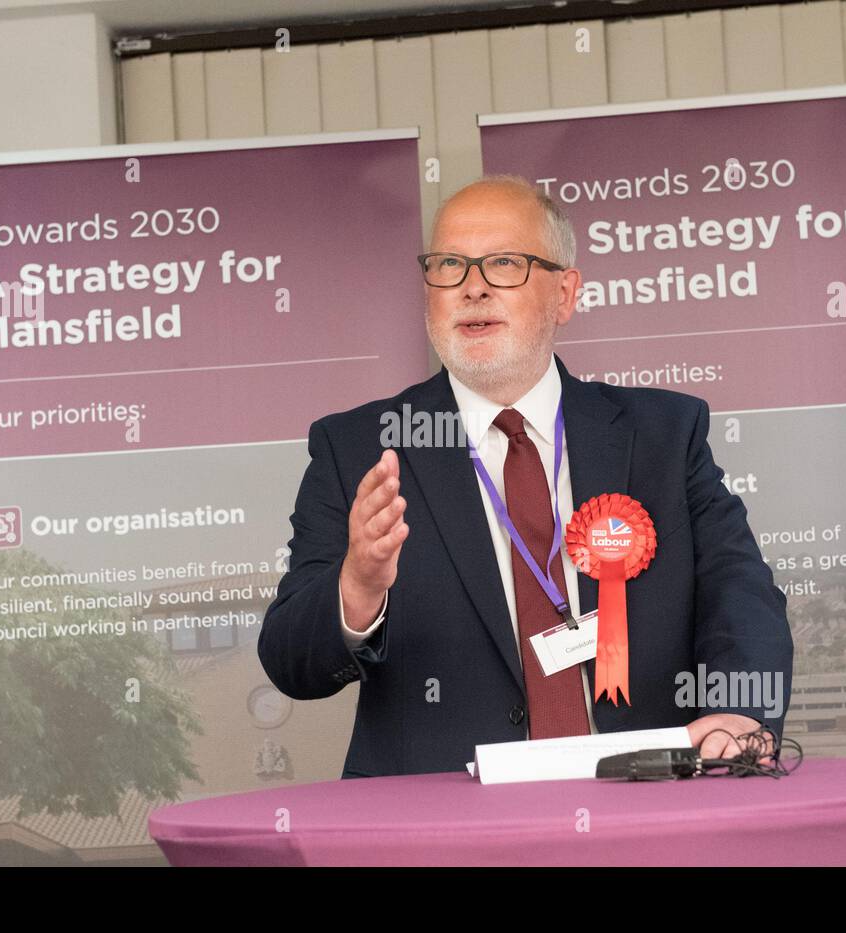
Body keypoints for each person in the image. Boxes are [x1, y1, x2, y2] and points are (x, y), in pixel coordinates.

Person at [258, 174, 792, 777]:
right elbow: (290, 665)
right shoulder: (358, 447)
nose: (472, 289)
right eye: (449, 266)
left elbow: (738, 591)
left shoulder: (665, 434)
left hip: (645, 807)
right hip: (442, 831)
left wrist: (739, 712)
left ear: (565, 294)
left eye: (504, 264)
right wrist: (356, 588)